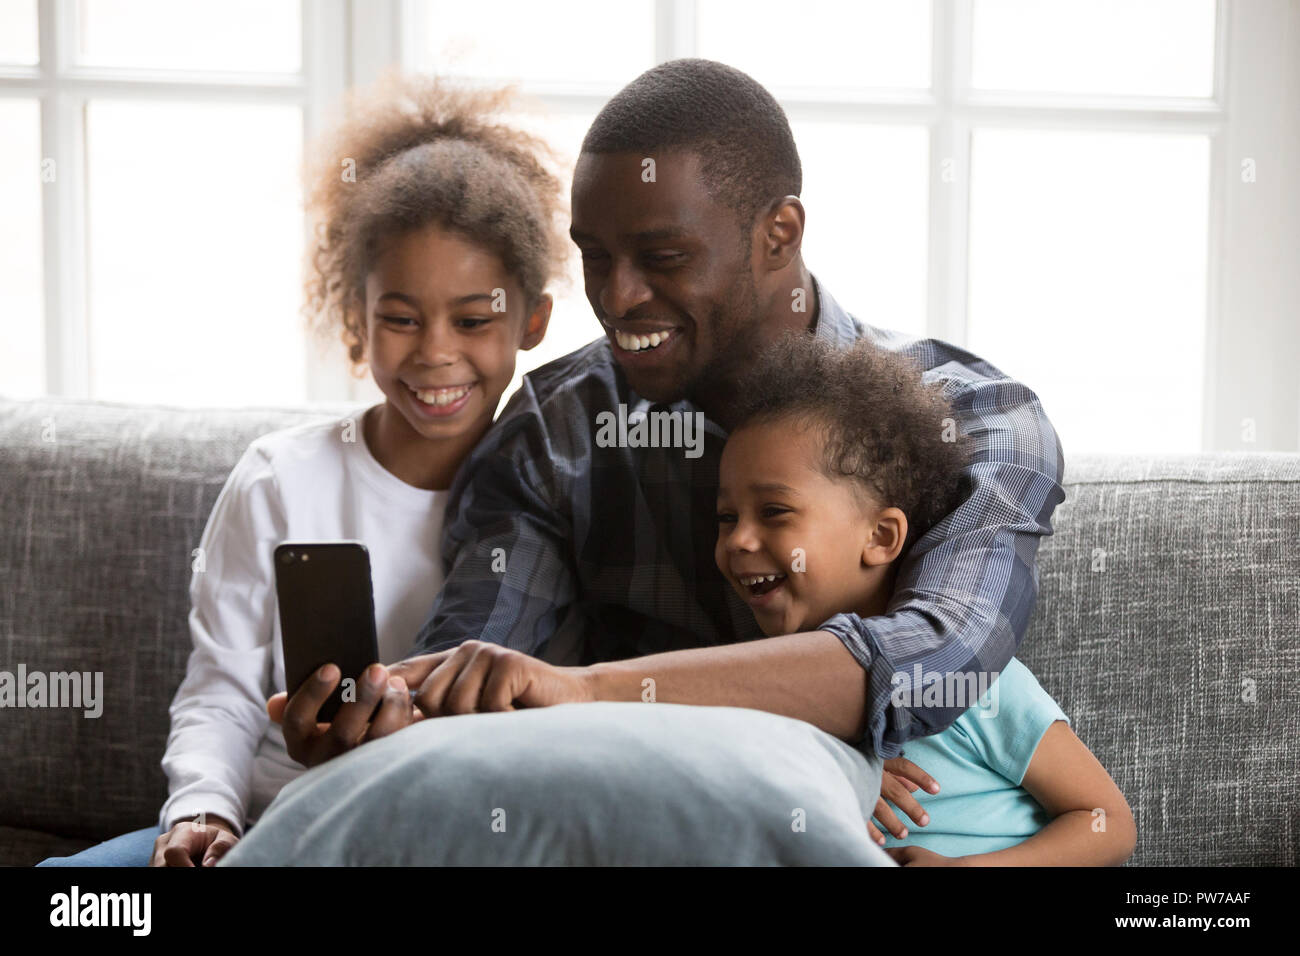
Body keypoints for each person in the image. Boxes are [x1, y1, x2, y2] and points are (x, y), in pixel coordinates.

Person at [273, 59, 1066, 849]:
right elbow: (481, 673)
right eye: (594, 256)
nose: (616, 298)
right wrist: (382, 720)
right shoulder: (557, 430)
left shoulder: (971, 420)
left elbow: (928, 663)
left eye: (662, 257)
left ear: (778, 233)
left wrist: (583, 693)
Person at [36, 75, 567, 866]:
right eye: (399, 318)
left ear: (532, 322)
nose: (435, 351)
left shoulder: (547, 503)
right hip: (260, 825)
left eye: (473, 319)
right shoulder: (281, 479)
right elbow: (221, 689)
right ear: (356, 324)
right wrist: (203, 812)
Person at [714, 334, 1135, 865]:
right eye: (726, 518)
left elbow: (1107, 823)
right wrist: (837, 776)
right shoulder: (765, 696)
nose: (739, 541)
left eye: (774, 512)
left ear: (881, 538)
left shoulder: (976, 683)